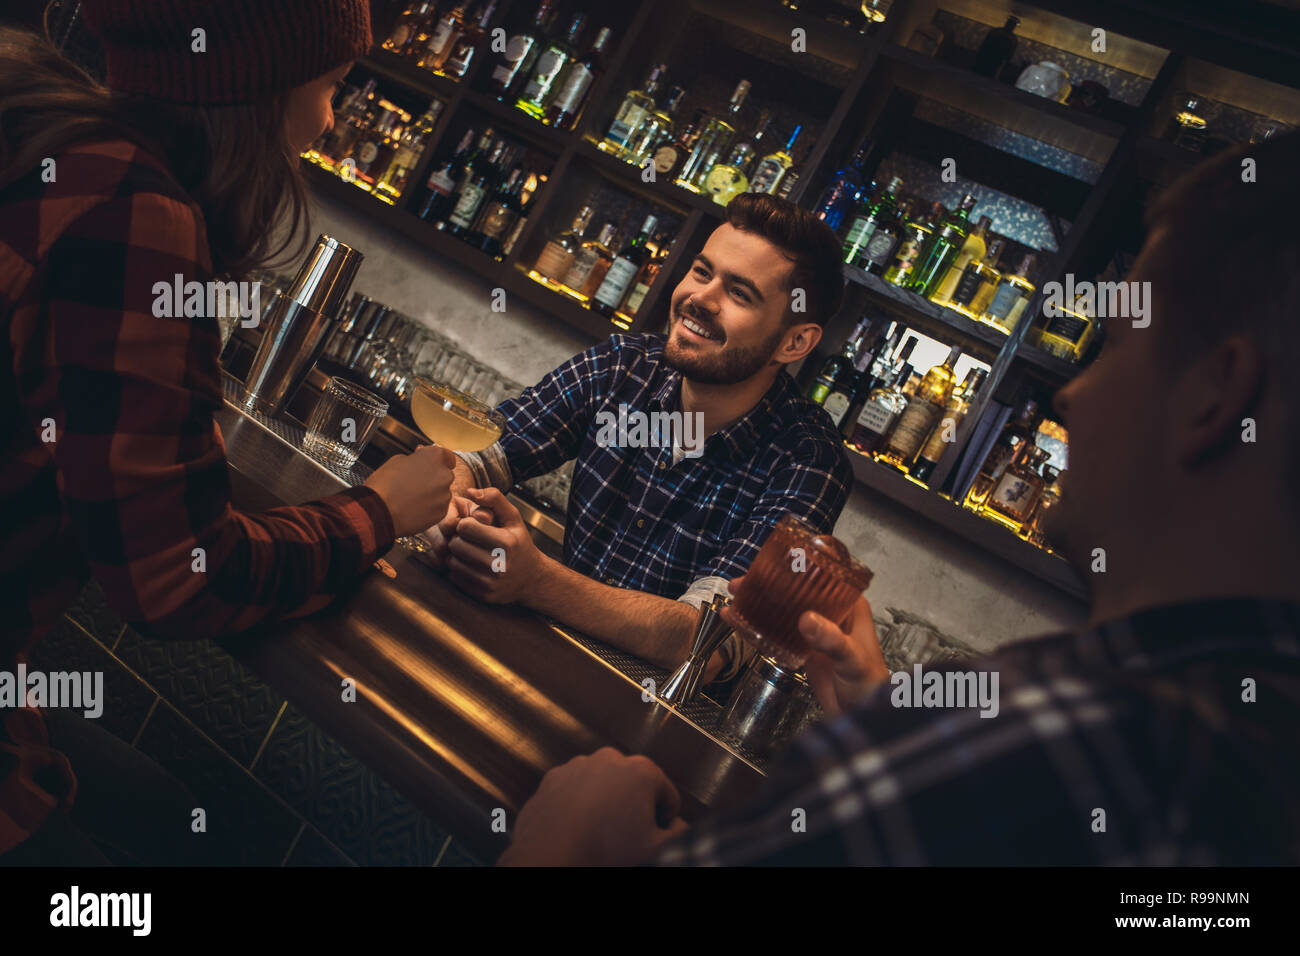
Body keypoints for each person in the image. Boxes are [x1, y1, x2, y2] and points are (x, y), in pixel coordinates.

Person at [497, 130, 1300, 866]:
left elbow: (710, 650)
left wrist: (566, 849)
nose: (1069, 400)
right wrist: (878, 728)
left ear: (1214, 395)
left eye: (1118, 347)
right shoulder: (1237, 738)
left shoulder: (1070, 734)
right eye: (700, 271)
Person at [0, 1, 455, 863]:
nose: (327, 123)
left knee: (165, 816)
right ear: (252, 82)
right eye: (330, 86)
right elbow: (178, 580)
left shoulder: (42, 126)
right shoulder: (129, 211)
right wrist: (380, 513)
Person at [425, 194, 854, 683]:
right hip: (544, 661)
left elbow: (706, 644)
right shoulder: (623, 366)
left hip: (660, 722)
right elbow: (476, 455)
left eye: (739, 294)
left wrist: (537, 581)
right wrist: (450, 508)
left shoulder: (809, 462)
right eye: (701, 271)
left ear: (794, 342)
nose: (700, 299)